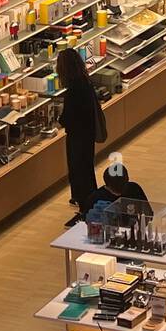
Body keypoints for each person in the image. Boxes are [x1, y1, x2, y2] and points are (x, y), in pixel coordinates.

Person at [57, 48, 102, 213]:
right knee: (87, 167)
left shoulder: (72, 91)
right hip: (87, 133)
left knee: (78, 169)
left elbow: (68, 117)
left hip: (77, 136)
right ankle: (90, 198)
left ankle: (84, 204)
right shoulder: (85, 83)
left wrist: (59, 121)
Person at [82, 162, 151, 218]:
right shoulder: (96, 198)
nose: (119, 192)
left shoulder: (134, 189)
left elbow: (148, 213)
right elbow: (87, 220)